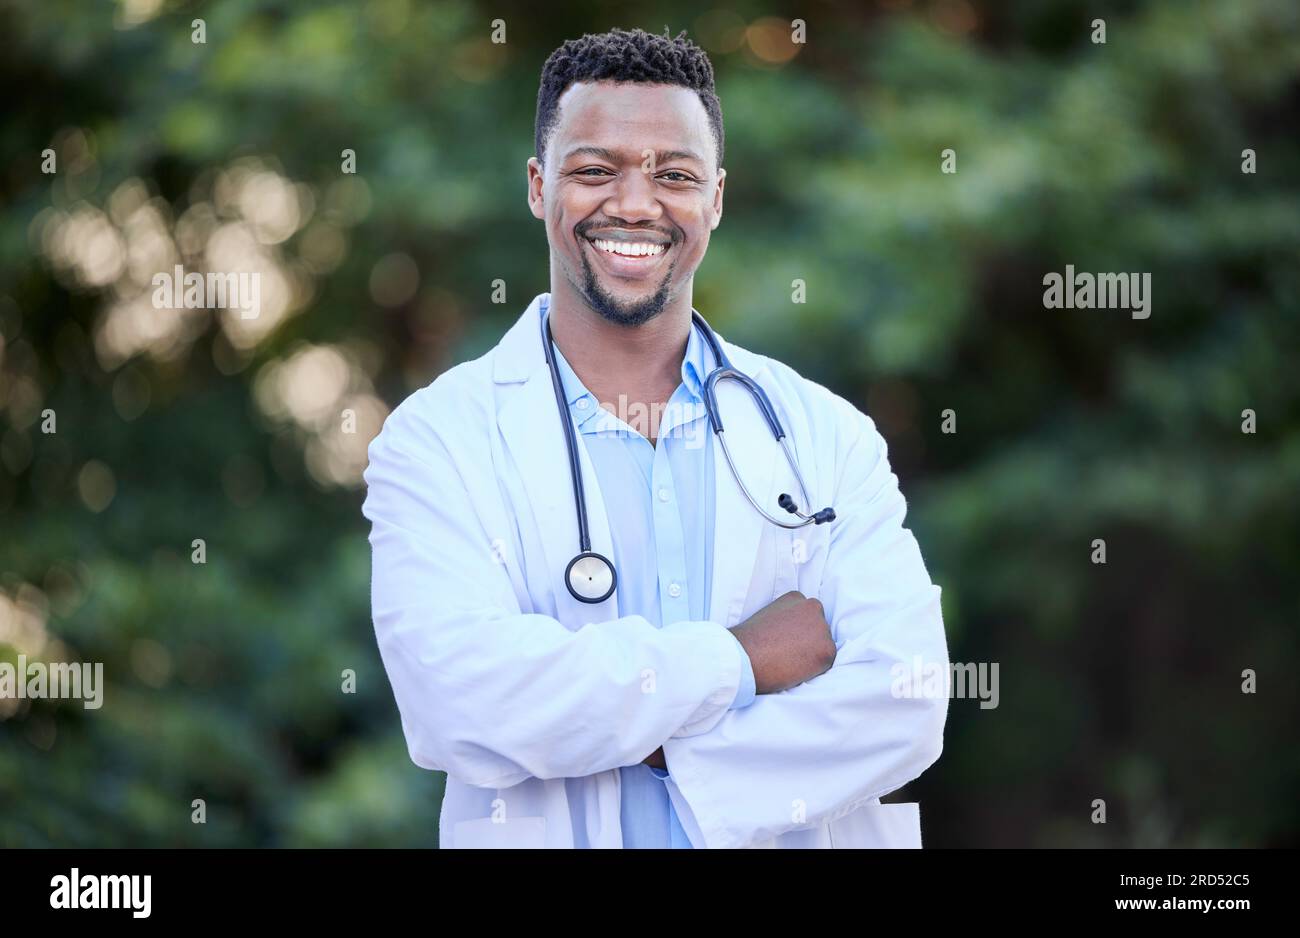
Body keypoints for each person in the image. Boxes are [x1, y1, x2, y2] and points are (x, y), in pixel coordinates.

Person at [362, 27, 949, 849]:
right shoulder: (436, 441)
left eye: (673, 175)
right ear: (538, 187)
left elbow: (909, 696)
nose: (635, 205)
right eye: (595, 170)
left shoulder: (825, 435)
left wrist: (667, 752)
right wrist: (739, 662)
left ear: (715, 196)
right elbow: (459, 700)